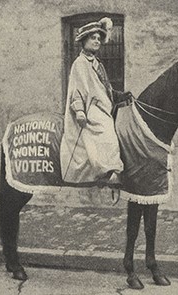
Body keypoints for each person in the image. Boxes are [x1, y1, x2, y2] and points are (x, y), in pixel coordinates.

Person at [60, 17, 130, 185]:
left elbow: (104, 89)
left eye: (99, 38)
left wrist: (119, 96)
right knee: (105, 131)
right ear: (84, 41)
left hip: (101, 107)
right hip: (89, 110)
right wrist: (80, 112)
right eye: (93, 38)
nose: (97, 41)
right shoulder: (80, 63)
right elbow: (77, 91)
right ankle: (108, 171)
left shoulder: (97, 63)